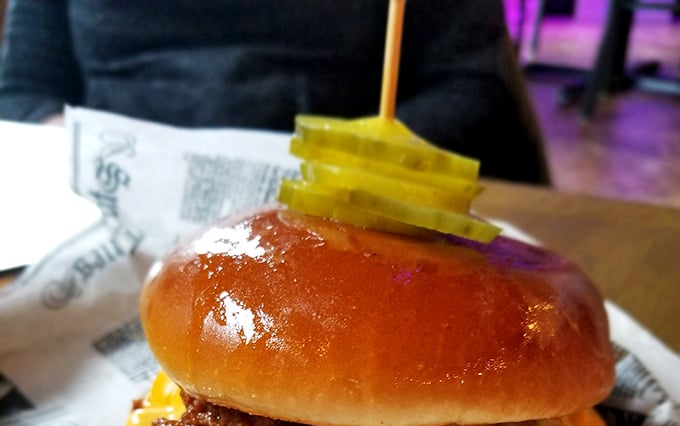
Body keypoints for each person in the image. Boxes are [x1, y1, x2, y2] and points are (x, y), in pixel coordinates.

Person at [0, 0, 550, 185]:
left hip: (352, 223)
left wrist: (333, 172)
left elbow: (478, 91)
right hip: (105, 232)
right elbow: (22, 94)